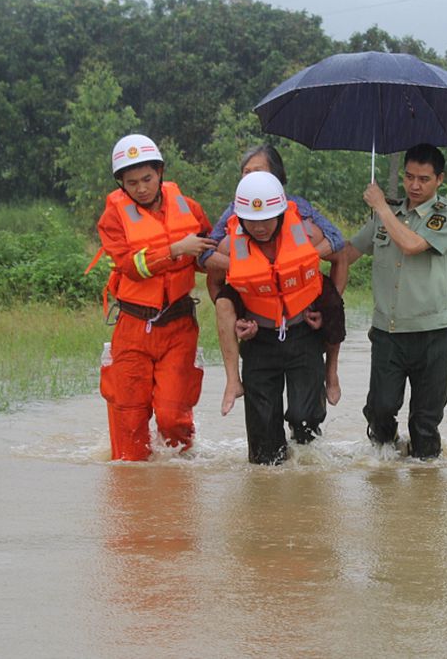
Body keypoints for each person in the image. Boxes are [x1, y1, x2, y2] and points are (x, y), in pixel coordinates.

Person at [96, 134, 217, 461]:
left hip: (178, 326)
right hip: (133, 327)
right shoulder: (112, 219)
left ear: (160, 173)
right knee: (130, 421)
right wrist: (176, 250)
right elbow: (128, 266)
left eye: (147, 179)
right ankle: (135, 496)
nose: (141, 188)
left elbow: (210, 250)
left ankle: (178, 483)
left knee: (171, 416)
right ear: (121, 184)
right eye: (132, 182)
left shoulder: (189, 208)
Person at [340, 143, 447, 460]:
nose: (415, 185)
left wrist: (381, 207)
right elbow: (346, 253)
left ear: (440, 179)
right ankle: (385, 484)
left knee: (425, 424)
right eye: (409, 177)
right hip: (388, 333)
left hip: (432, 333)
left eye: (424, 178)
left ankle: (424, 498)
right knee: (379, 411)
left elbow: (412, 244)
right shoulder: (388, 215)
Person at [201, 144, 348, 409]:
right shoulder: (236, 208)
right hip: (254, 289)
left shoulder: (297, 207)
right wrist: (240, 265)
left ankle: (332, 372)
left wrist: (305, 259)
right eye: (245, 173)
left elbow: (337, 240)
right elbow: (205, 256)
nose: (250, 179)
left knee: (334, 303)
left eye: (257, 171)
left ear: (277, 179)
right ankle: (232, 381)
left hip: (298, 282)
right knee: (225, 302)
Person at [206, 171, 333, 464]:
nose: (259, 227)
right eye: (251, 220)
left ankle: (307, 490)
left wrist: (326, 309)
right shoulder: (229, 245)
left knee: (305, 422)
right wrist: (233, 315)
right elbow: (214, 282)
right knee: (264, 452)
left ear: (280, 213)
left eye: (266, 219)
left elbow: (340, 255)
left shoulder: (307, 233)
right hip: (259, 341)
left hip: (303, 335)